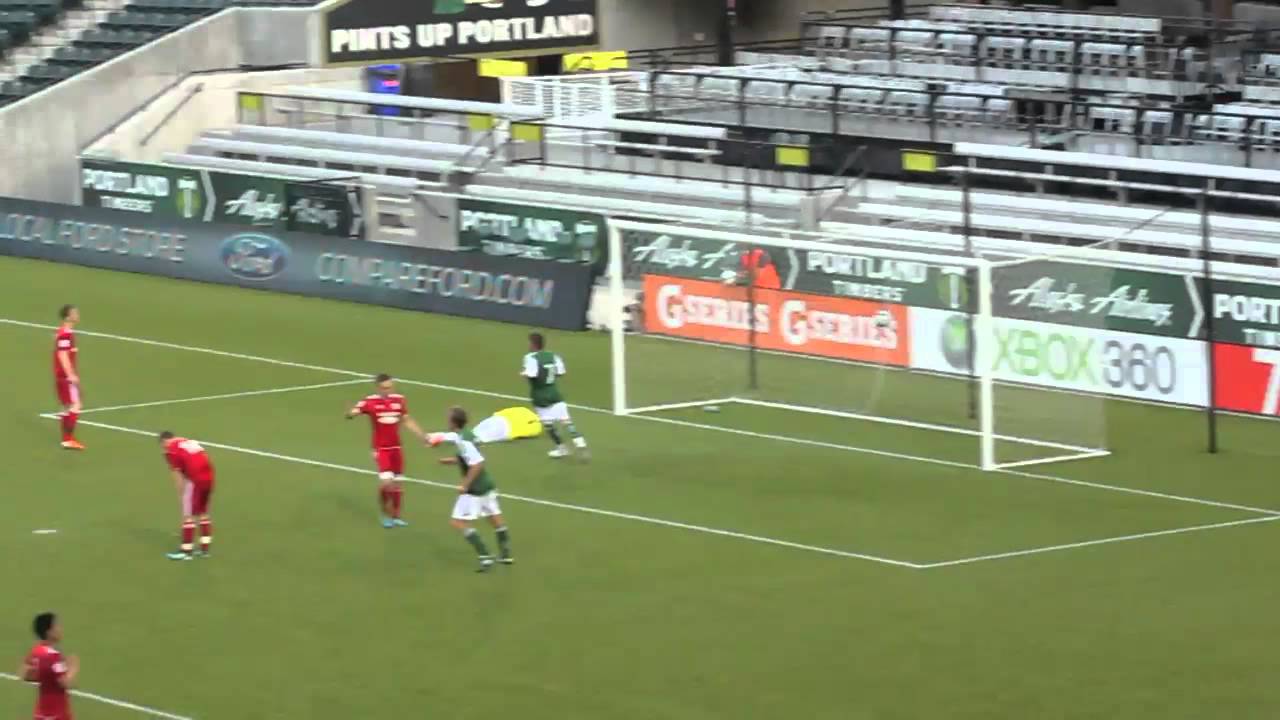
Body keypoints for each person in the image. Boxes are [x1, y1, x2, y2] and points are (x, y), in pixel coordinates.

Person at [434, 407, 512, 573]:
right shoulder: (468, 435)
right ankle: (505, 554)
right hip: (487, 484)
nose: (447, 421)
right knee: (494, 518)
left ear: (454, 422)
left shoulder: (464, 440)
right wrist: (450, 460)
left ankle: (485, 557)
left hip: (475, 488)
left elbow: (477, 463)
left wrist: (465, 484)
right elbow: (468, 457)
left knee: (457, 522)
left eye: (448, 418)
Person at [346, 374, 425, 528]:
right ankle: (384, 514)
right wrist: (350, 413)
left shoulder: (399, 400)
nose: (388, 390)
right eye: (384, 388)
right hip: (381, 448)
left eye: (390, 387)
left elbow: (407, 420)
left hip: (397, 447)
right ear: (378, 388)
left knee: (397, 485)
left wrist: (422, 435)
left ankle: (396, 516)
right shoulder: (370, 401)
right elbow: (353, 412)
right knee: (387, 483)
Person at [521, 332, 588, 459]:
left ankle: (561, 448)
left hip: (540, 396)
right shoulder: (554, 356)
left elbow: (532, 374)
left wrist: (523, 373)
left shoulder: (530, 358)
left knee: (549, 425)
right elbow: (561, 372)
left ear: (533, 344)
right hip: (554, 393)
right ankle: (580, 443)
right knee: (567, 421)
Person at [159, 432, 216, 561]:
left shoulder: (170, 451)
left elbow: (177, 474)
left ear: (163, 442)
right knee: (203, 512)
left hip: (195, 479)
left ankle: (186, 552)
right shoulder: (187, 441)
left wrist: (181, 493)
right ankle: (204, 550)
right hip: (209, 476)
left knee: (187, 515)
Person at [20, 612, 77, 720]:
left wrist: (45, 677)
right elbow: (65, 683)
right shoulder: (53, 656)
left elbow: (24, 674)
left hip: (41, 712)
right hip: (57, 714)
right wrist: (73, 668)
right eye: (57, 626)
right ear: (49, 632)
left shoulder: (36, 651)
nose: (60, 629)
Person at [53, 305, 83, 451]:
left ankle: (66, 439)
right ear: (67, 316)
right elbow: (63, 355)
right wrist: (71, 374)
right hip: (65, 376)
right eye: (74, 313)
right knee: (76, 405)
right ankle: (68, 439)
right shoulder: (65, 334)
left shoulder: (63, 332)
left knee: (66, 406)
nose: (77, 314)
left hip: (60, 376)